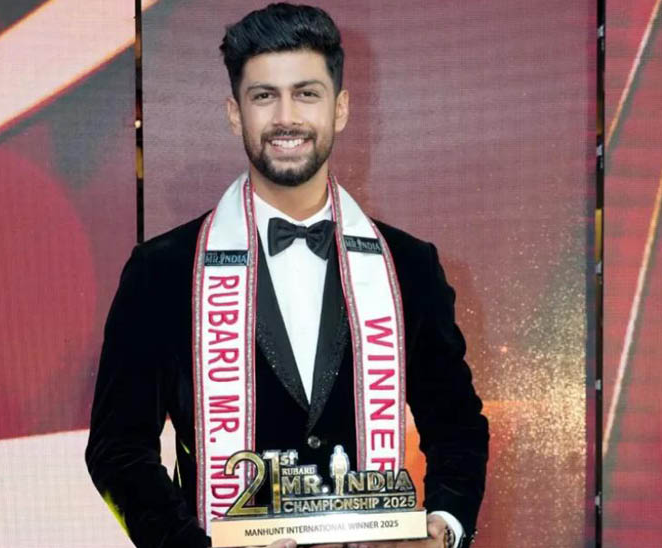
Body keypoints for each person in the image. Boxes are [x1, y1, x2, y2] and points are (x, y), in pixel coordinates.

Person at [85, 4, 488, 548]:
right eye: (263, 96)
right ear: (235, 113)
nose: (286, 117)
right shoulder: (161, 272)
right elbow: (118, 449)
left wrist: (446, 526)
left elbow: (457, 425)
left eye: (306, 93)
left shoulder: (408, 266)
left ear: (340, 108)